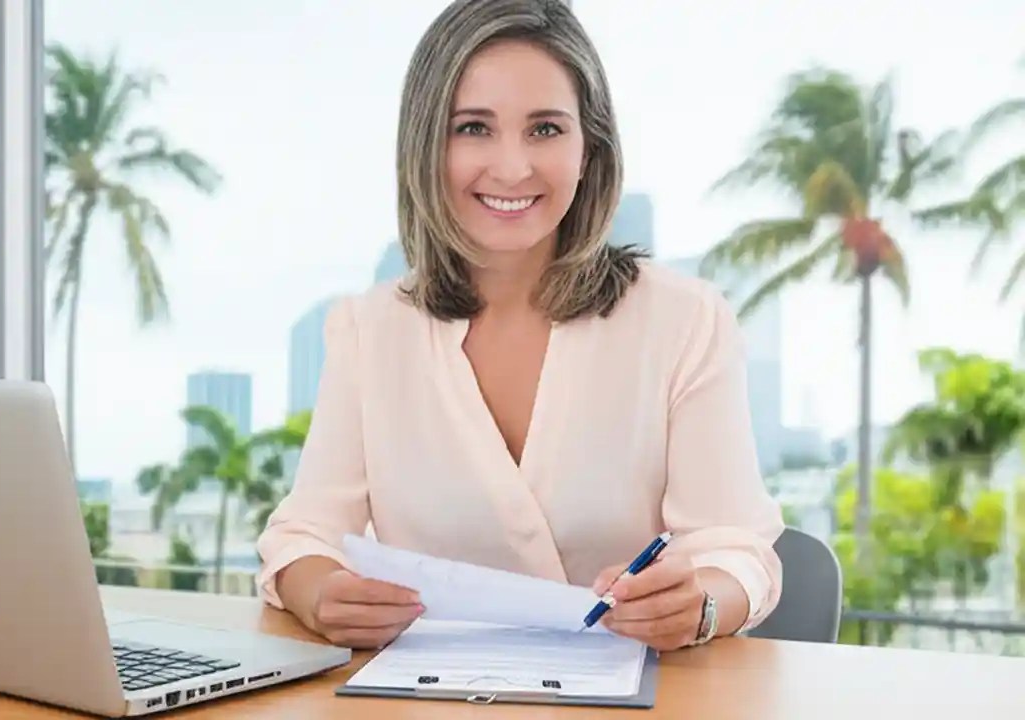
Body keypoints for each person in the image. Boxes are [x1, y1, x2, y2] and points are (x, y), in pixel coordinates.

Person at [256, 0, 784, 653]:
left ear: (589, 148)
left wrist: (699, 602)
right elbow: (305, 535)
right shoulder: (368, 330)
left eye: (545, 130)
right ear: (426, 144)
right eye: (474, 128)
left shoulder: (685, 320)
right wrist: (319, 594)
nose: (511, 167)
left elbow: (735, 549)